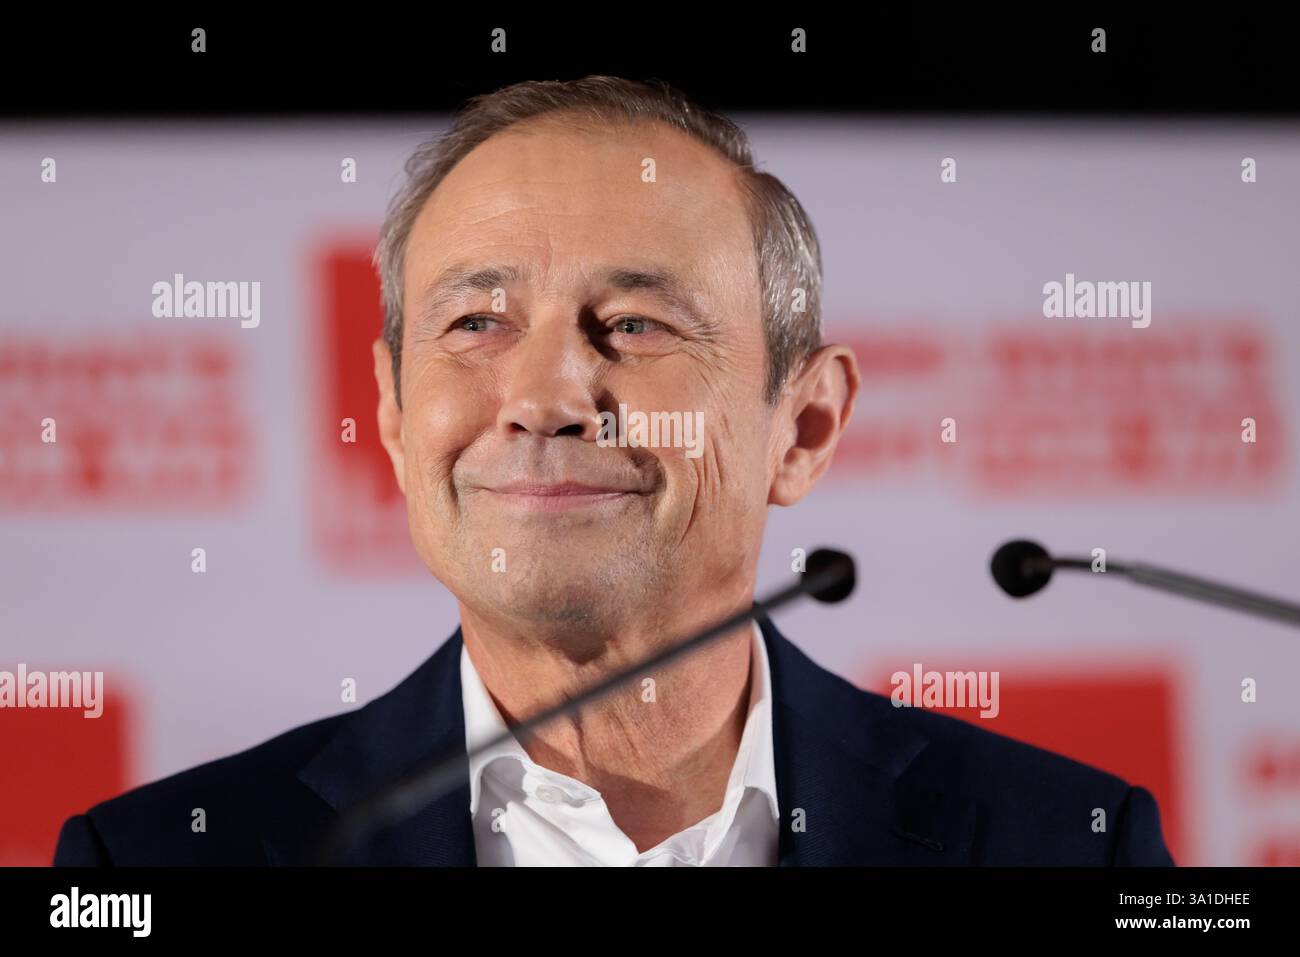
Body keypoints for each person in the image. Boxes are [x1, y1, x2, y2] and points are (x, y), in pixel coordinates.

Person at [54, 75, 1174, 867]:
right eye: (478, 321)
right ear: (392, 415)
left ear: (806, 427)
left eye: (635, 324)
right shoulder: (152, 863)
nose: (543, 397)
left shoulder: (1065, 843)